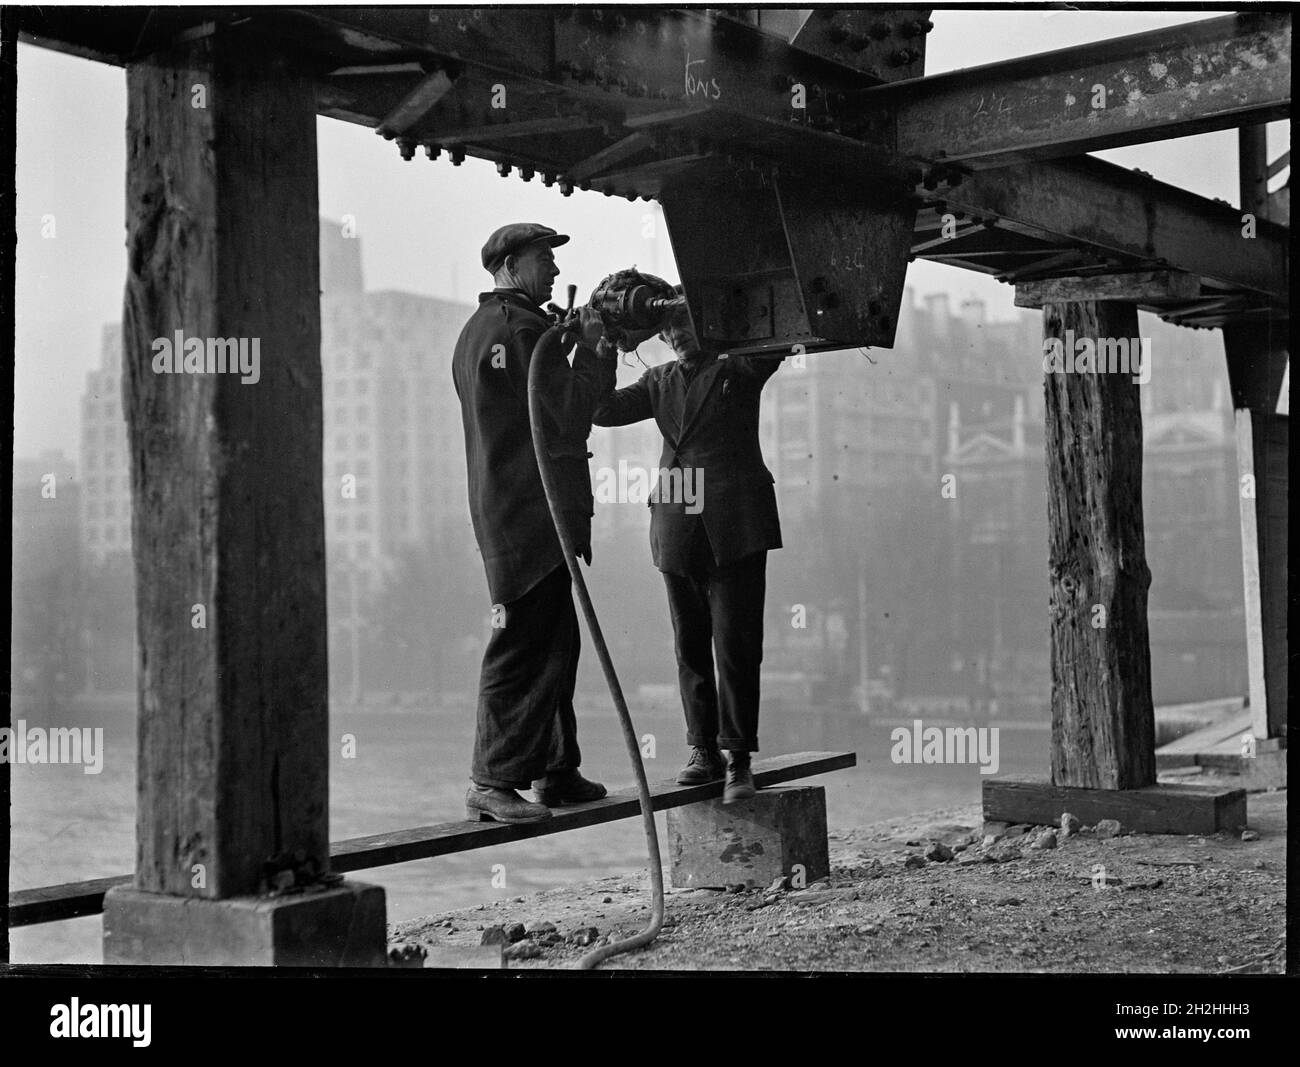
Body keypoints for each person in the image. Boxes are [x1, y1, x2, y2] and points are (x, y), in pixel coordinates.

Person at [592, 282, 783, 802]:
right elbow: (602, 410)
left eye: (686, 321)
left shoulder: (738, 368)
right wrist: (606, 345)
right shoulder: (658, 381)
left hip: (733, 526)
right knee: (690, 648)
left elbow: (777, 344)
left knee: (738, 646)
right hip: (677, 526)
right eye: (670, 326)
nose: (677, 333)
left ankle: (738, 759)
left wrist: (724, 302)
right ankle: (702, 751)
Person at [452, 223, 611, 823]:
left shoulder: (481, 330)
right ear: (511, 266)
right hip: (531, 510)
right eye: (543, 259)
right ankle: (489, 782)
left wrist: (563, 343)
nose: (552, 270)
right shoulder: (520, 330)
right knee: (520, 643)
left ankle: (554, 771)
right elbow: (568, 417)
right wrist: (595, 351)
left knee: (557, 640)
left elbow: (525, 407)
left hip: (510, 507)